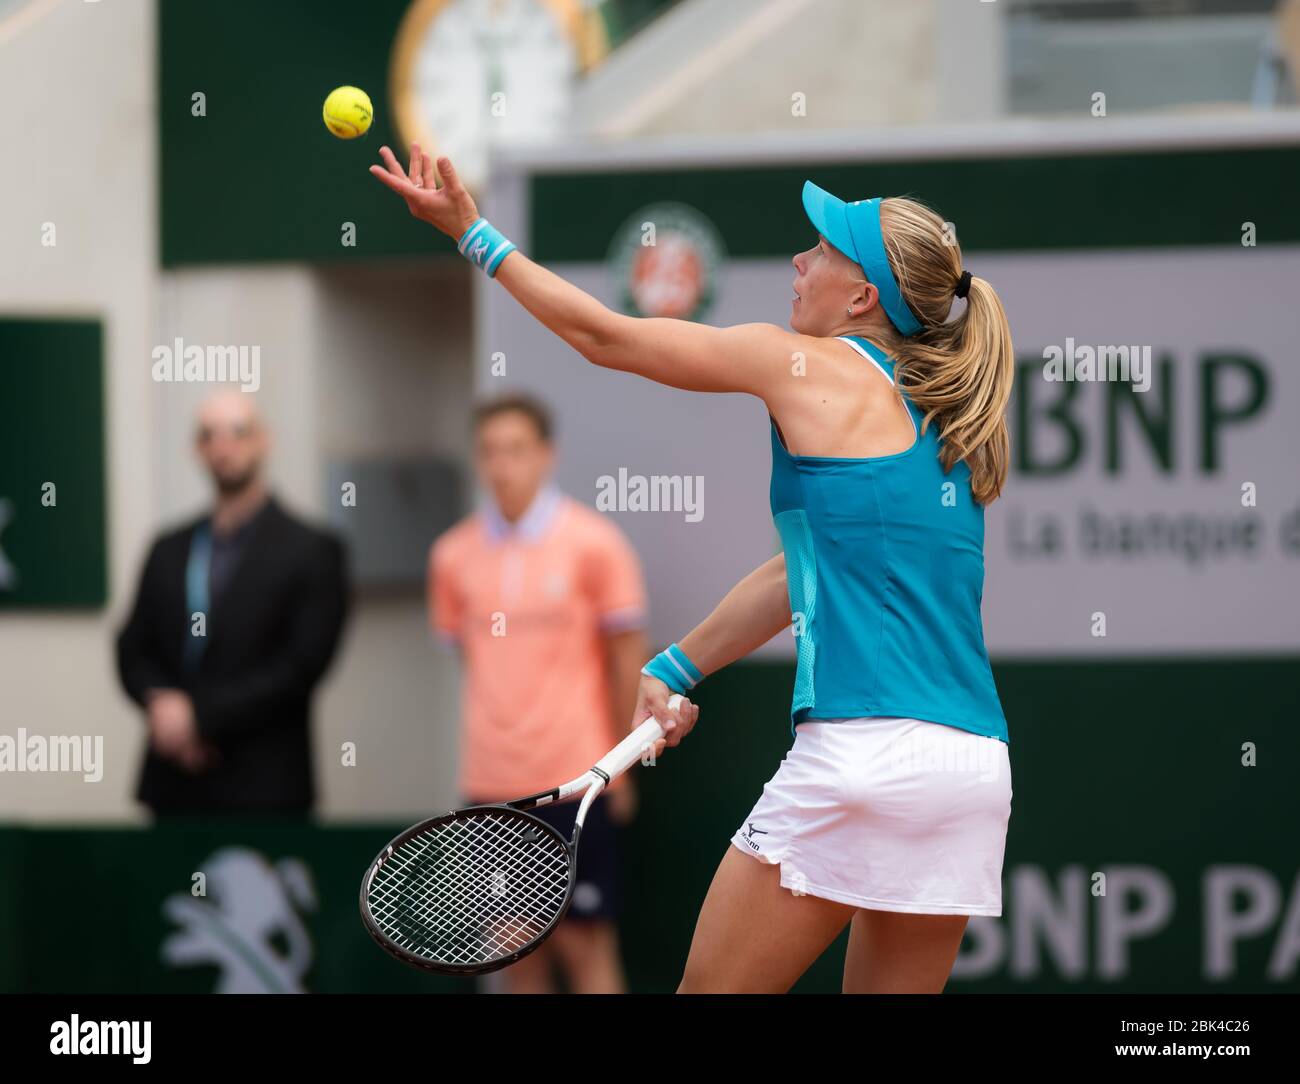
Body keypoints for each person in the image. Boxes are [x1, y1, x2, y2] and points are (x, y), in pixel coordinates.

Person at [371, 145, 1014, 994]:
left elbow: (606, 337)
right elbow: (805, 573)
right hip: (969, 770)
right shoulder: (949, 420)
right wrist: (676, 666)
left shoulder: (803, 364)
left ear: (861, 295)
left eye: (821, 249)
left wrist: (472, 233)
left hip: (861, 751)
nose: (799, 259)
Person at [429, 392, 649, 994]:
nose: (503, 465)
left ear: (546, 455)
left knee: (585, 946)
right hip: (492, 791)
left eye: (517, 449)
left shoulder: (594, 543)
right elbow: (472, 659)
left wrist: (619, 768)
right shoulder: (451, 556)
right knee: (511, 951)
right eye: (490, 451)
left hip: (578, 781)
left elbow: (625, 660)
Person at [116, 391, 350, 817]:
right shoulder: (169, 548)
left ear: (264, 441)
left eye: (238, 432)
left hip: (266, 788)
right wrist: (164, 708)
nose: (223, 447)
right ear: (196, 449)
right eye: (209, 435)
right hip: (173, 786)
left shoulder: (312, 550)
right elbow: (132, 647)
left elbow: (302, 664)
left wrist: (199, 717)